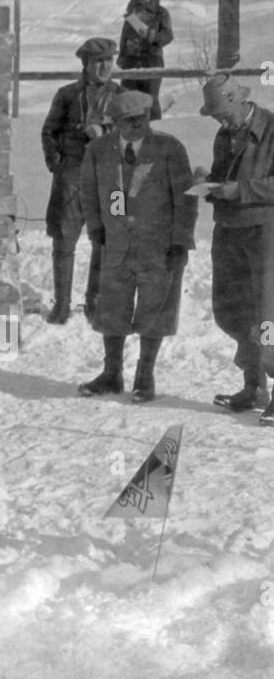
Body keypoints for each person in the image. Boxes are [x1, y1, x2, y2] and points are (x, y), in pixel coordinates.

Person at [77, 90, 196, 401]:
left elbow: (186, 199)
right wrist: (96, 228)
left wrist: (181, 241)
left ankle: (145, 376)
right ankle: (112, 374)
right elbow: (88, 192)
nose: (137, 126)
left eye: (142, 119)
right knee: (112, 307)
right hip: (115, 244)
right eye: (129, 121)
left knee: (156, 308)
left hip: (159, 246)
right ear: (115, 122)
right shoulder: (98, 150)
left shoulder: (169, 149)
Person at [198, 75, 274, 423]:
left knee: (267, 315)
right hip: (228, 230)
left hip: (265, 232)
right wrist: (207, 183)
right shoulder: (223, 134)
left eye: (223, 113)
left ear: (240, 101)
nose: (220, 121)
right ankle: (253, 385)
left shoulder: (272, 128)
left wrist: (239, 190)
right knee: (230, 310)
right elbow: (221, 174)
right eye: (215, 117)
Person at [40, 37, 123, 324]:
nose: (104, 66)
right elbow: (49, 131)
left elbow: (133, 132)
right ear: (86, 65)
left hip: (108, 177)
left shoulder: (121, 96)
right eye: (98, 61)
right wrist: (57, 163)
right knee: (64, 238)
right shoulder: (67, 95)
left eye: (109, 61)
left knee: (105, 239)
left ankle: (94, 301)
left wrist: (105, 130)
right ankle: (62, 304)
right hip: (72, 176)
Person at [118, 0, 173, 120]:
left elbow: (168, 35)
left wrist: (152, 36)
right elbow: (124, 37)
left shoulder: (161, 13)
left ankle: (154, 131)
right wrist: (122, 57)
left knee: (150, 99)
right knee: (128, 98)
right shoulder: (132, 14)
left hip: (152, 61)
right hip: (131, 61)